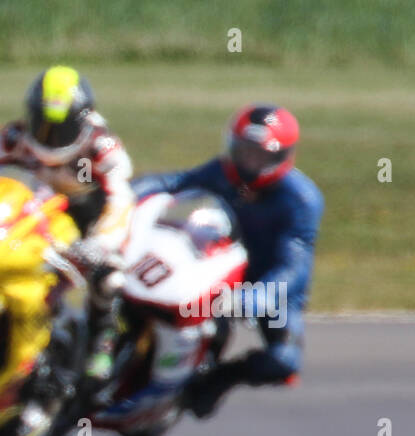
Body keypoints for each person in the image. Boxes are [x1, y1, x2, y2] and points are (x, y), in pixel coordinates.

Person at [0, 65, 136, 380]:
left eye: (60, 128)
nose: (48, 135)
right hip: (35, 210)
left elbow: (121, 200)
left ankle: (101, 344)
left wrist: (101, 242)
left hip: (86, 217)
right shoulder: (14, 137)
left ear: (81, 120)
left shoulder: (101, 148)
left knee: (110, 277)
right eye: (41, 124)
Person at [132, 104, 323, 418]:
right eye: (244, 150)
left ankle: (222, 377)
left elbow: (294, 264)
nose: (250, 161)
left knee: (284, 361)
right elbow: (177, 182)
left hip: (271, 285)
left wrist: (259, 296)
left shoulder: (301, 199)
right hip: (220, 269)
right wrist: (132, 192)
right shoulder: (223, 172)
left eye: (260, 155)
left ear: (282, 157)